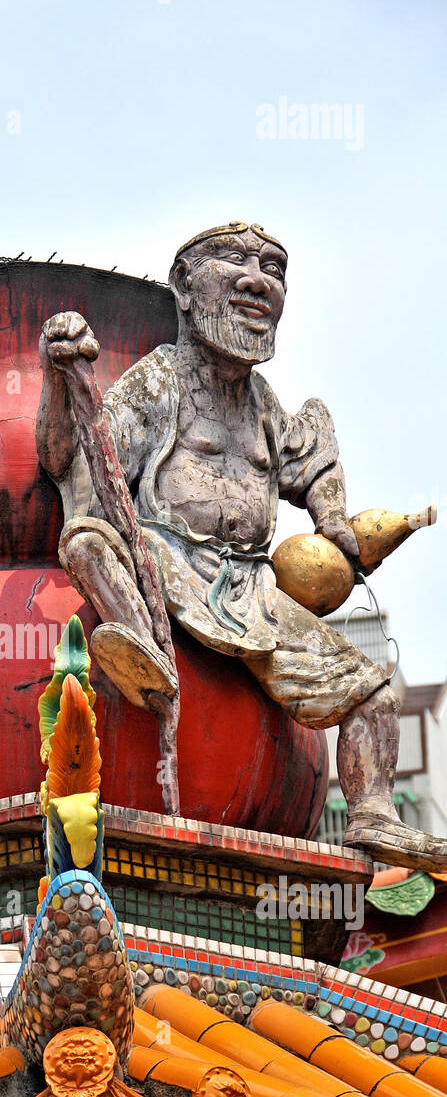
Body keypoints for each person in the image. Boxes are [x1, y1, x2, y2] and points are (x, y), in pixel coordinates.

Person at [35, 222, 446, 870]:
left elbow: (311, 461)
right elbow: (73, 455)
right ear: (184, 287)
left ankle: (371, 814)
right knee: (86, 539)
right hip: (162, 563)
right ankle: (140, 645)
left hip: (251, 588)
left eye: (274, 269)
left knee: (373, 693)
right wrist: (57, 380)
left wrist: (333, 519)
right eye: (233, 261)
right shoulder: (159, 381)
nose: (259, 281)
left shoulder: (262, 403)